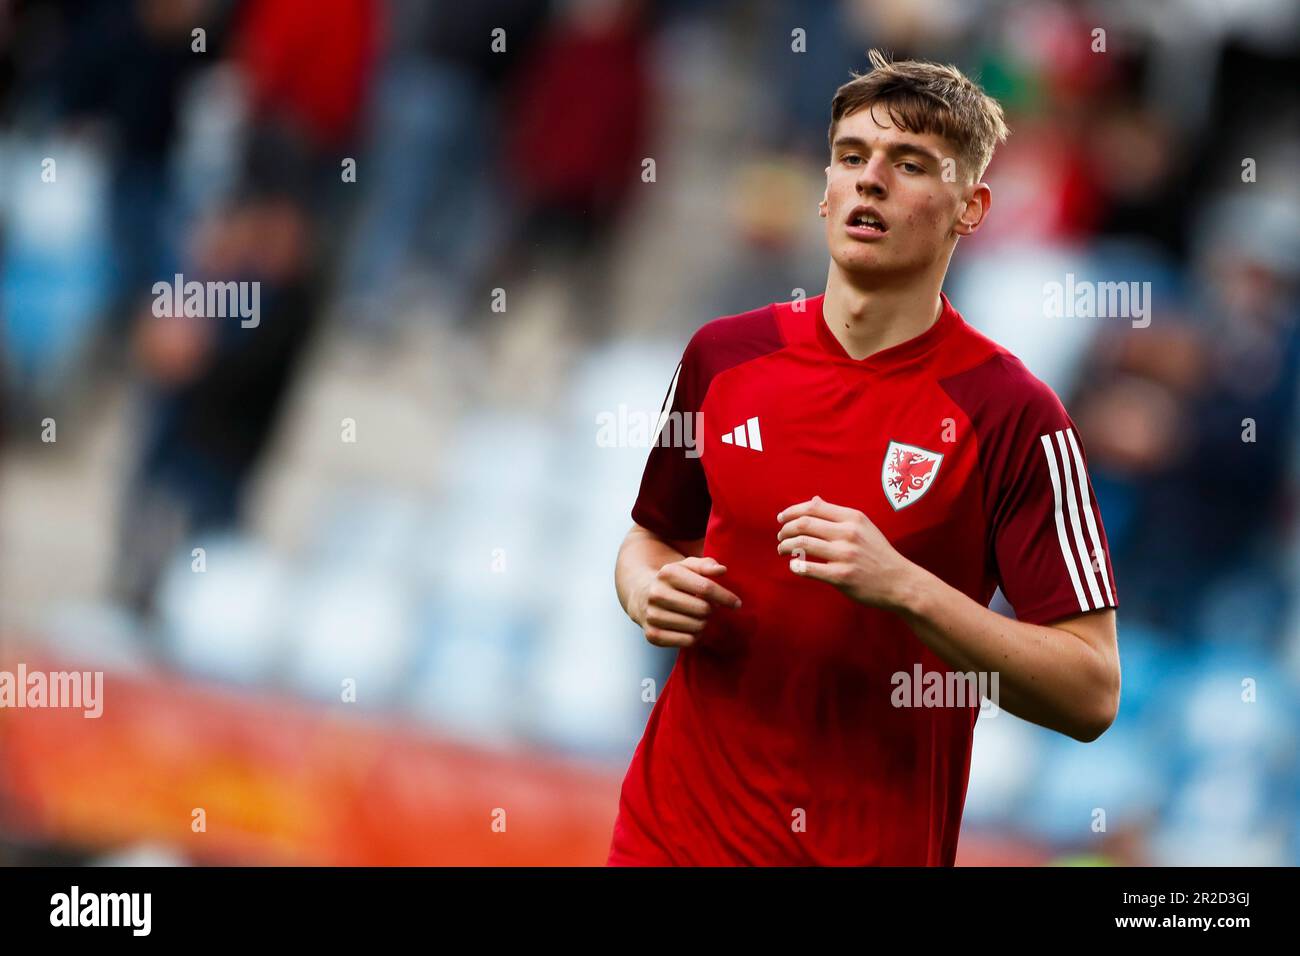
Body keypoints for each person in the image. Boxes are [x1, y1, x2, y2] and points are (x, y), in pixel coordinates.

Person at [608, 50, 1121, 866]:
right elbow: (650, 536)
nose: (869, 180)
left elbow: (1091, 690)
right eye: (851, 157)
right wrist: (645, 590)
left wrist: (906, 588)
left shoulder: (1015, 417)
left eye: (910, 164)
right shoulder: (723, 356)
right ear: (825, 189)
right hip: (668, 838)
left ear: (971, 209)